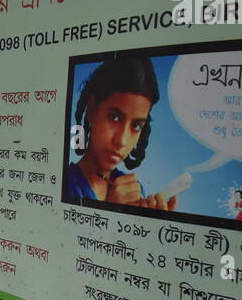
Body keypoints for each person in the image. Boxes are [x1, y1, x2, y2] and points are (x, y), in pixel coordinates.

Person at [66, 56, 176, 210]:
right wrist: (111, 211)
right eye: (114, 117)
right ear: (92, 110)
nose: (122, 141)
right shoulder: (65, 185)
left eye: (136, 126)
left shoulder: (134, 190)